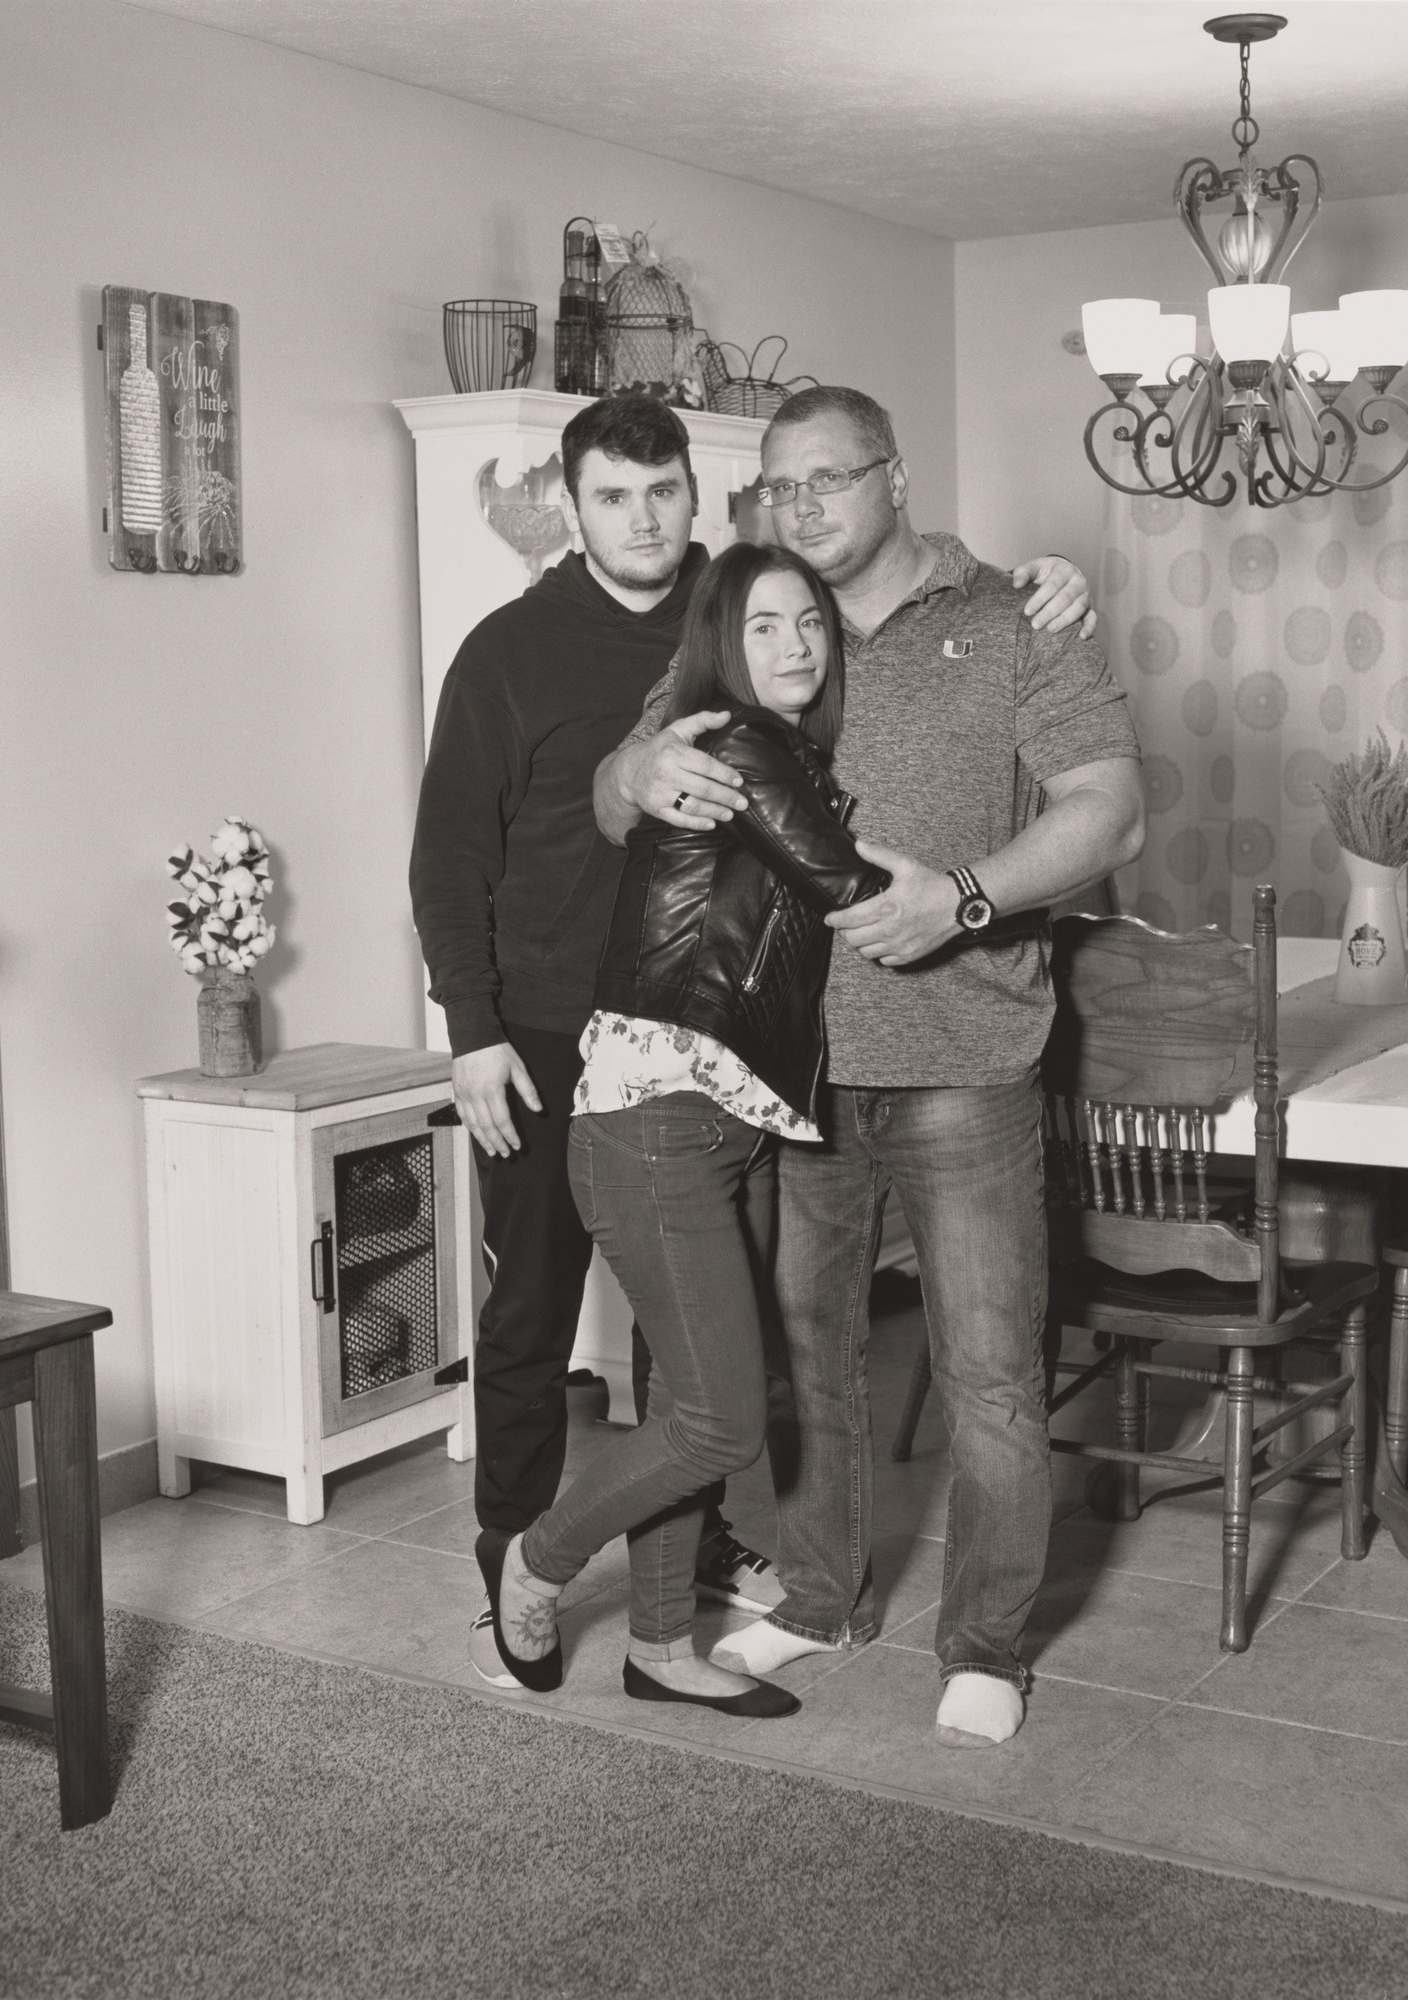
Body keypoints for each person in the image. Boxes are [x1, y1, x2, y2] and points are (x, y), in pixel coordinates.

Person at [411, 391, 1094, 1692]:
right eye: (612, 495)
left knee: (700, 1375)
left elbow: (916, 621)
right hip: (623, 1069)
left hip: (740, 1087)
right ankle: (527, 1560)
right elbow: (484, 844)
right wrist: (475, 1021)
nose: (643, 518)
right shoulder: (607, 688)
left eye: (663, 491)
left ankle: (666, 1636)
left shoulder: (775, 638)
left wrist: (1031, 589)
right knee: (633, 1367)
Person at [595, 385, 1145, 1749]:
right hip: (786, 1073)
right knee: (804, 1354)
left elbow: (1107, 806)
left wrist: (957, 898)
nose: (801, 511)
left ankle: (988, 1644)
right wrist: (635, 771)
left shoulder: (1015, 617)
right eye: (778, 490)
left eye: (827, 482)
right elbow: (619, 786)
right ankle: (827, 1593)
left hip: (967, 1054)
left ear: (894, 478)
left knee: (986, 1371)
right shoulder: (752, 618)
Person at [480, 538, 890, 1716]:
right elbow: (851, 894)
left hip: (705, 1124)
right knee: (718, 1412)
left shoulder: (776, 751)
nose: (794, 644)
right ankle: (536, 1559)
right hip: (656, 1122)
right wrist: (995, 894)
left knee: (685, 1406)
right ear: (721, 643)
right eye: (763, 625)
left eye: (808, 621)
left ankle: (660, 1645)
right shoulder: (738, 744)